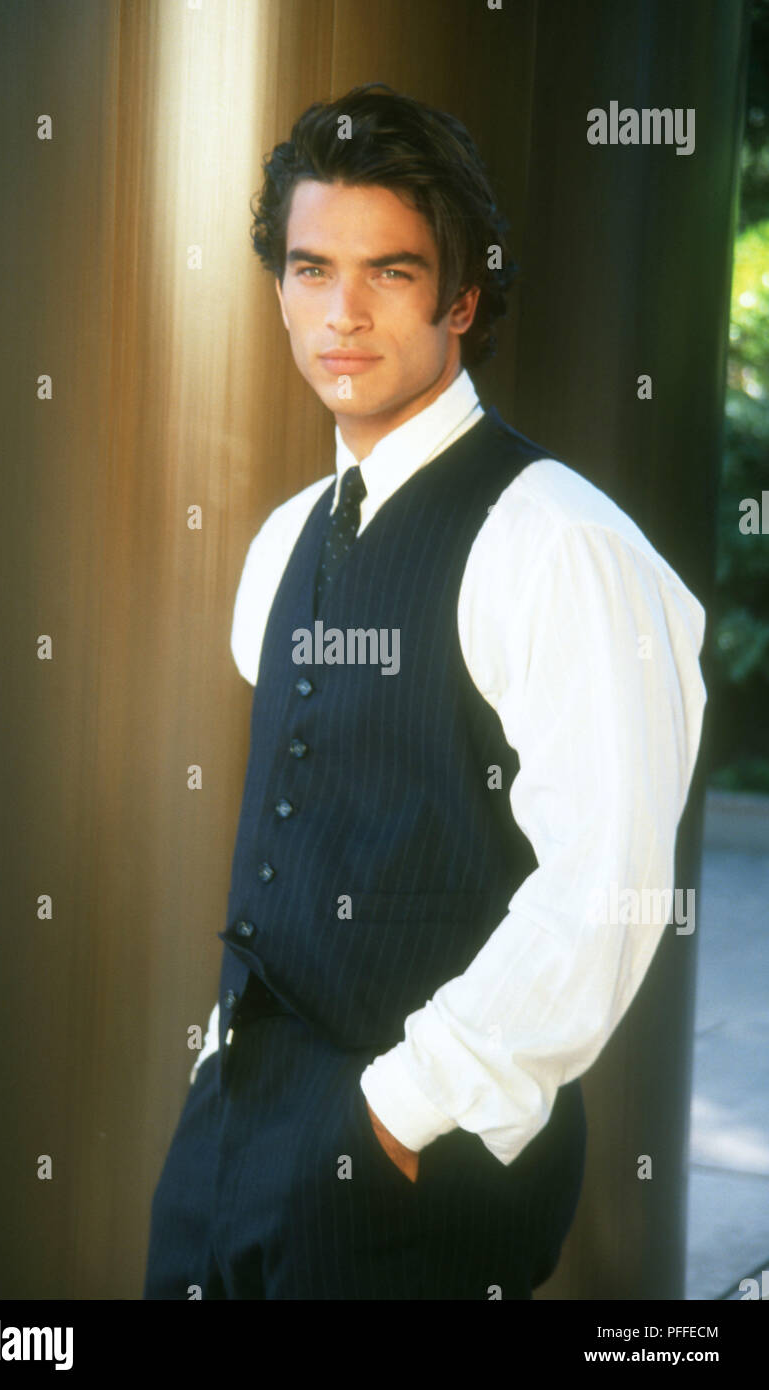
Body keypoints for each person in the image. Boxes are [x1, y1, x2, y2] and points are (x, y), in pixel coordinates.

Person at [143, 82, 707, 1300]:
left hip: (414, 1160)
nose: (339, 312)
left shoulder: (557, 541)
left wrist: (396, 1112)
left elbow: (607, 885)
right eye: (309, 268)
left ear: (461, 296)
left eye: (389, 273)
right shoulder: (287, 537)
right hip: (237, 1129)